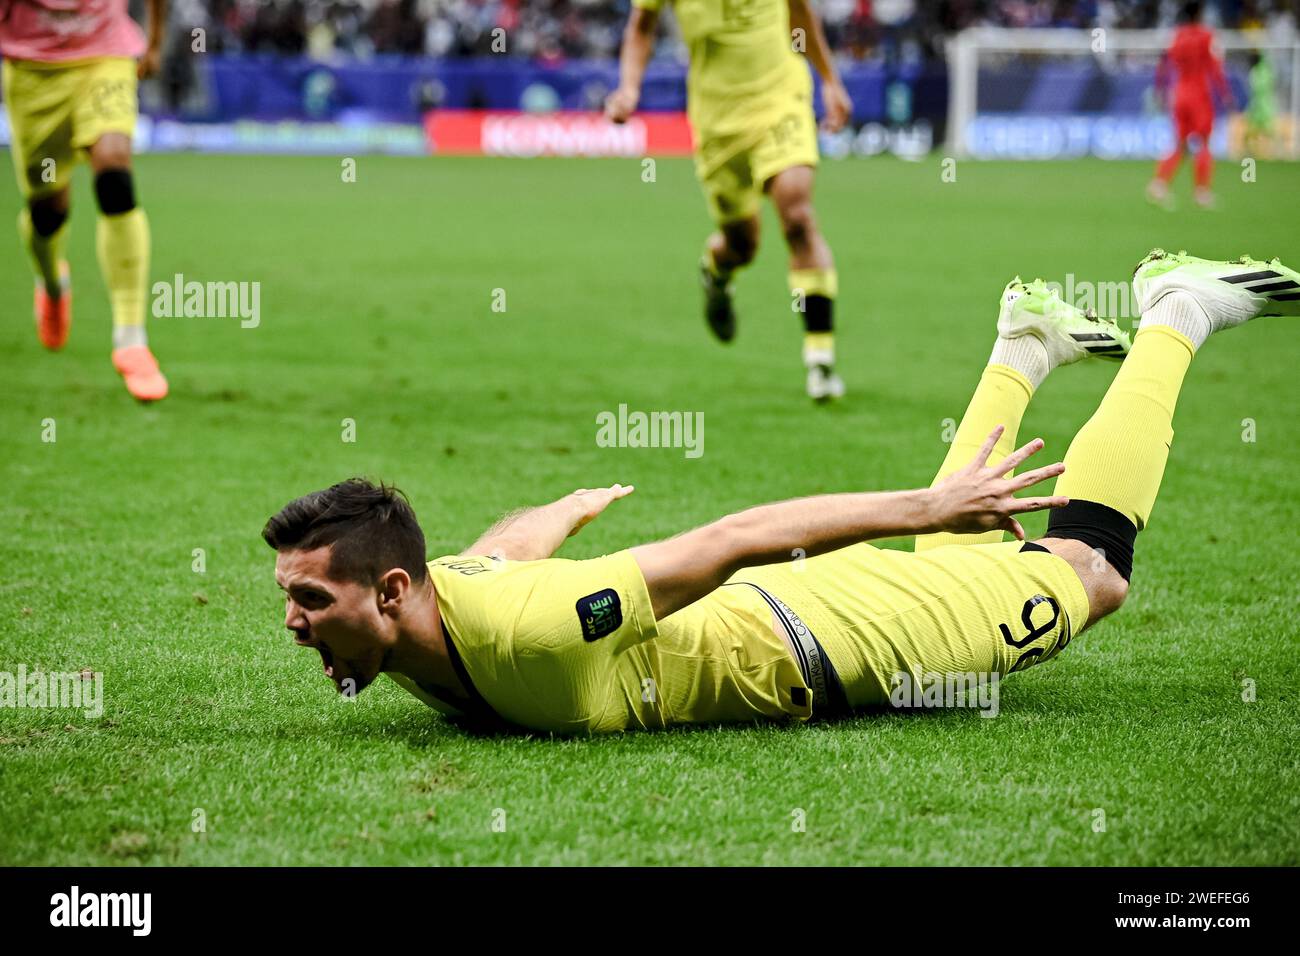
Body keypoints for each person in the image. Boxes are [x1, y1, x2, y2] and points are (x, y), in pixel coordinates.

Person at [264, 250, 1298, 733]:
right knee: (959, 566)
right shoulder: (419, 615)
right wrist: (562, 508)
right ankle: (1022, 344)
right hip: (800, 624)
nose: (295, 624)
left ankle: (1175, 312)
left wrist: (921, 502)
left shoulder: (529, 631)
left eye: (310, 600)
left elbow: (738, 532)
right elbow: (501, 547)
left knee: (1088, 572)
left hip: (826, 643)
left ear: (390, 590)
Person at [605, 0, 854, 400]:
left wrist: (829, 79)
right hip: (717, 122)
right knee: (742, 243)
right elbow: (641, 25)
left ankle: (820, 361)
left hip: (780, 99)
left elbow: (800, 12)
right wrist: (630, 87)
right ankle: (716, 272)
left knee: (796, 214)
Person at [1, 0, 169, 400]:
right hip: (31, 71)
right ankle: (53, 283)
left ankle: (131, 338)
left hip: (104, 57)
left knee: (114, 173)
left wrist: (155, 42)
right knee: (47, 211)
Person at [1147, 1, 1235, 210]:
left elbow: (1163, 64)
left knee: (1179, 143)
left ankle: (1158, 184)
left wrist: (1159, 90)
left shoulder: (1176, 36)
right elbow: (1215, 69)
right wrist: (1226, 95)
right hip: (1198, 95)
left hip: (1179, 94)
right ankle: (1202, 192)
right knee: (1204, 143)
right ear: (1200, 13)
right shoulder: (1206, 36)